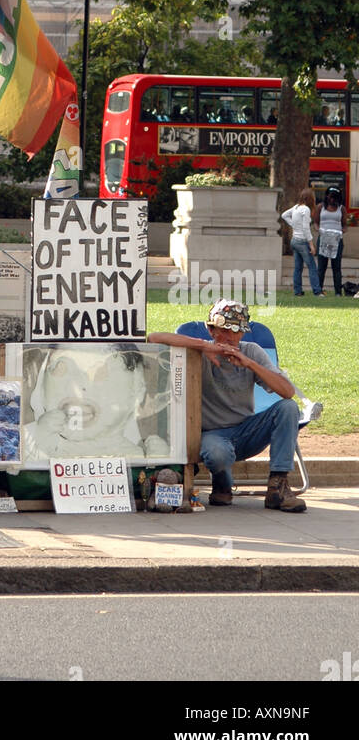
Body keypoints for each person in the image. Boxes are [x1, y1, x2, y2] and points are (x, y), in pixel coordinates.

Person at [149, 299, 306, 511]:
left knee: (288, 408)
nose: (231, 338)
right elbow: (153, 337)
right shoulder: (197, 352)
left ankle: (278, 486)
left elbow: (287, 392)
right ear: (211, 330)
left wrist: (250, 364)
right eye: (224, 331)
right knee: (217, 452)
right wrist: (204, 346)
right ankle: (222, 485)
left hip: (247, 430)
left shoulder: (251, 351)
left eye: (237, 332)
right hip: (212, 435)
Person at [22, 344, 169, 463]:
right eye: (61, 368)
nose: (79, 386)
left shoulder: (130, 452)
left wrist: (155, 462)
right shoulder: (36, 439)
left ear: (136, 388)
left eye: (99, 372)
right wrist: (39, 438)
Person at [281, 187, 323, 295]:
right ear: (310, 198)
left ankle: (297, 291)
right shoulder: (306, 209)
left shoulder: (296, 207)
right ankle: (317, 292)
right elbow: (305, 228)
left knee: (298, 268)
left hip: (294, 241)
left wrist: (294, 225)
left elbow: (284, 215)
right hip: (302, 242)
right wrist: (311, 245)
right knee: (312, 267)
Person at [314, 186, 345, 296]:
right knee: (321, 267)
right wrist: (319, 230)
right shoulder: (320, 207)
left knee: (336, 267)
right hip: (324, 239)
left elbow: (344, 225)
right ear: (327, 196)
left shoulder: (341, 208)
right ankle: (319, 290)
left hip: (337, 241)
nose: (332, 200)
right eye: (330, 197)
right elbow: (316, 223)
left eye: (334, 198)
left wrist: (341, 232)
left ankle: (338, 292)